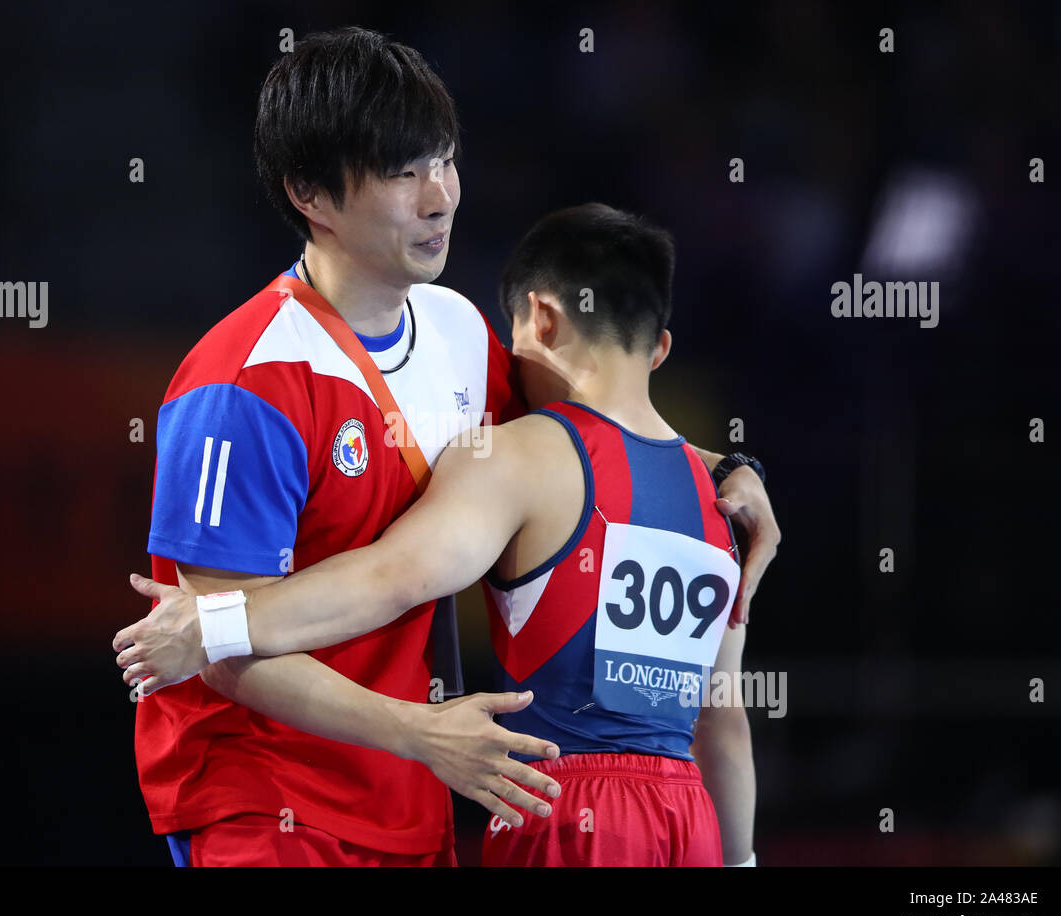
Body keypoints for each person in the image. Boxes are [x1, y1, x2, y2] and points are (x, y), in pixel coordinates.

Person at [119, 27, 779, 867]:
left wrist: (724, 469)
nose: (440, 198)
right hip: (267, 800)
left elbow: (599, 427)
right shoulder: (241, 387)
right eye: (403, 173)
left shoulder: (461, 330)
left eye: (446, 160)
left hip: (416, 788)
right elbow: (216, 648)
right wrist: (418, 731)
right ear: (310, 194)